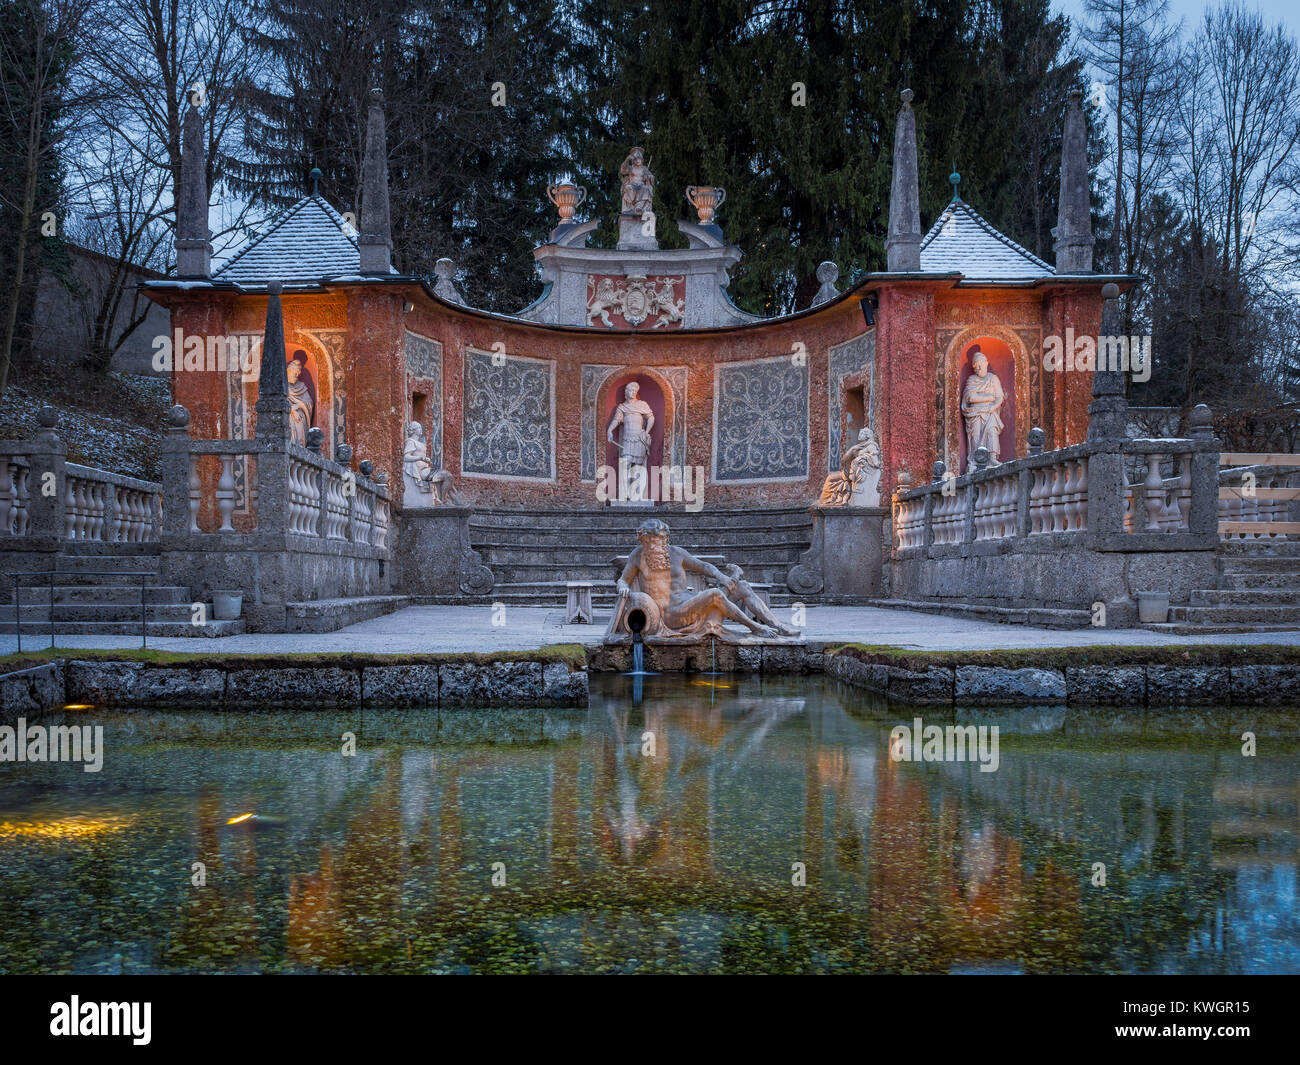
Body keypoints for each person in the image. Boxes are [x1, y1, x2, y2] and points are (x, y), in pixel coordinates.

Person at [961, 347, 1005, 468]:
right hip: (974, 413)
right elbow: (970, 397)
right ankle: (975, 461)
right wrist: (989, 397)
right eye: (976, 367)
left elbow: (999, 397)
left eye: (980, 365)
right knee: (975, 435)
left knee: (992, 432)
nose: (978, 369)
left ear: (986, 363)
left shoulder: (993, 379)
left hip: (990, 411)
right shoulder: (971, 379)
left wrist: (993, 405)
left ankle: (992, 458)